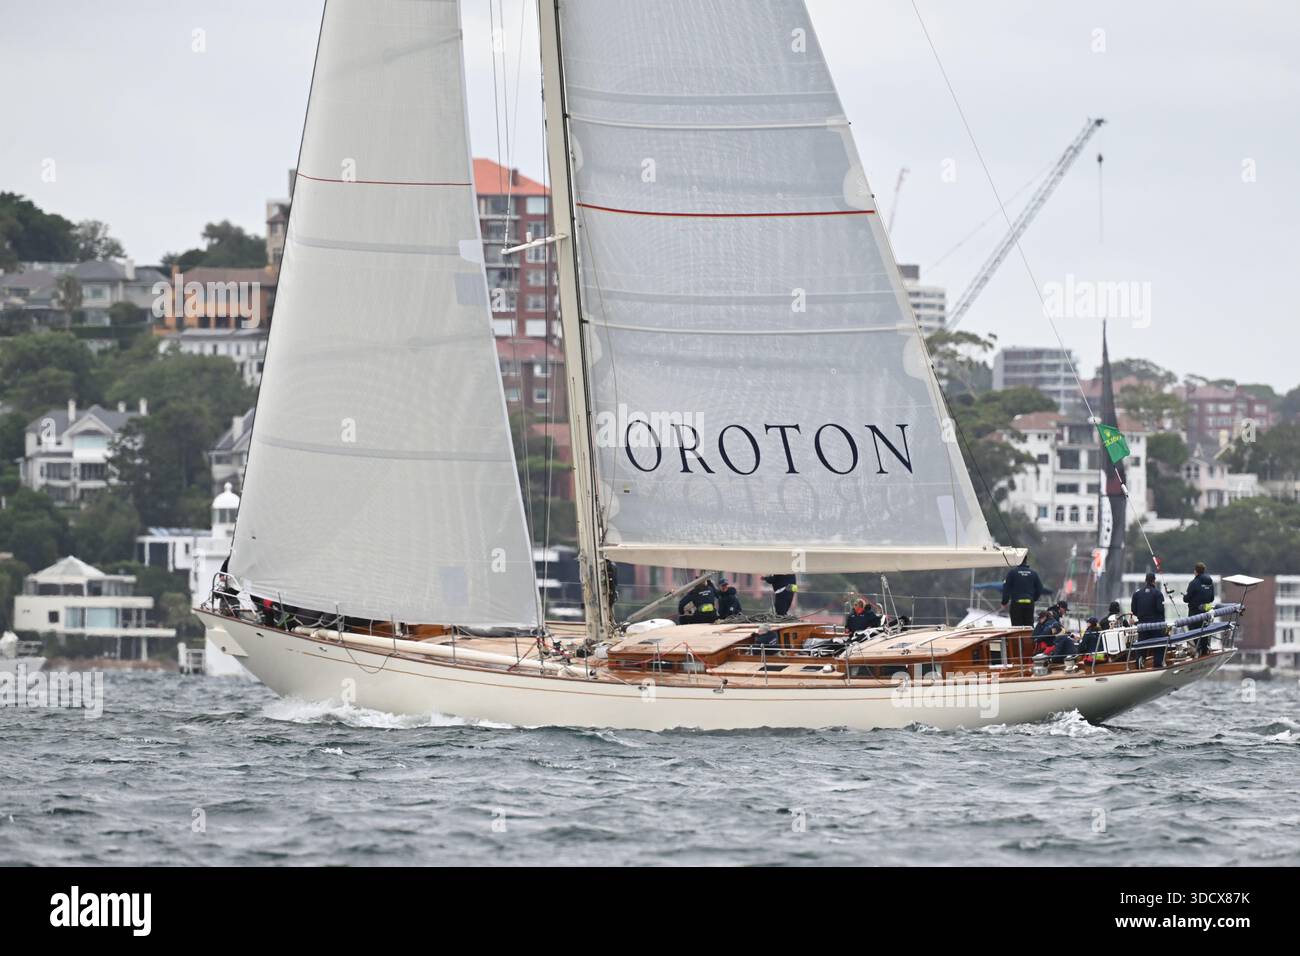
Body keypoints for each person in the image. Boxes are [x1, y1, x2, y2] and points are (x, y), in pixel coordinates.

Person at [1131, 571, 1167, 667]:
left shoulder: (1137, 594)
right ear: (1154, 581)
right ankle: (1157, 664)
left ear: (1145, 581)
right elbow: (1160, 609)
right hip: (1155, 624)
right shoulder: (1158, 593)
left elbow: (1133, 610)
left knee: (1142, 644)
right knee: (1159, 644)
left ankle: (1140, 662)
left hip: (1142, 625)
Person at [1000, 555, 1045, 627]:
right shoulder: (1034, 573)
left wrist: (1004, 602)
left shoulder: (1012, 573)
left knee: (1016, 628)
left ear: (1017, 560)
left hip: (1016, 604)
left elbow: (1006, 588)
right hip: (1029, 603)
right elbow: (1040, 588)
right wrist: (1033, 599)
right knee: (1028, 627)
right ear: (1026, 560)